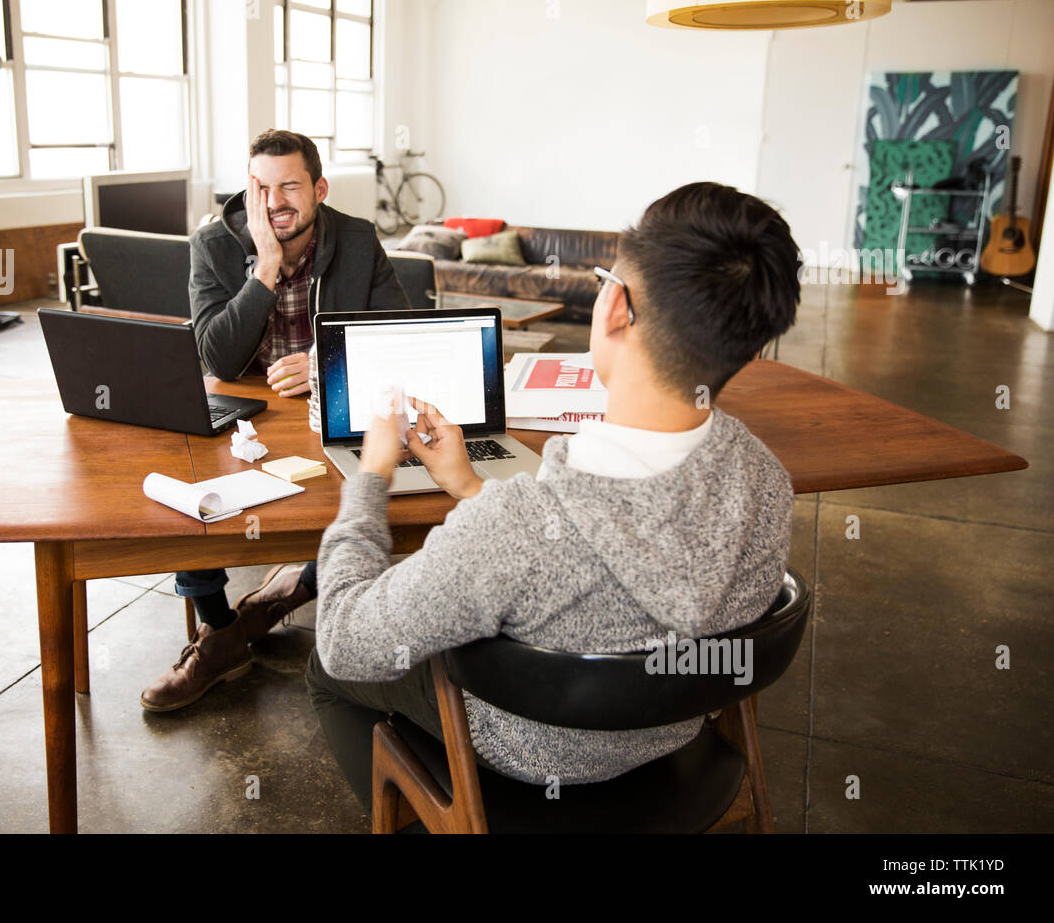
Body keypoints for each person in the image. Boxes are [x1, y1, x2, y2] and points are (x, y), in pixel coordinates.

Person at [304, 181, 803, 813]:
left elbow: (346, 637)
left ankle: (431, 818)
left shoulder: (513, 529)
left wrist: (370, 478)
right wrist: (467, 485)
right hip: (676, 736)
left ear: (616, 308)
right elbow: (591, 535)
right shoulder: (765, 481)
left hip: (525, 752)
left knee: (328, 670)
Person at [139, 130, 407, 713]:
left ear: (319, 188)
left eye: (291, 186)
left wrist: (325, 364)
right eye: (262, 187)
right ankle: (221, 631)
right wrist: (264, 266)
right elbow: (217, 357)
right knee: (184, 495)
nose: (275, 202)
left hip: (325, 405)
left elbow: (396, 338)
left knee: (377, 487)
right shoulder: (212, 244)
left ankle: (287, 589)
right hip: (243, 410)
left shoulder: (357, 239)